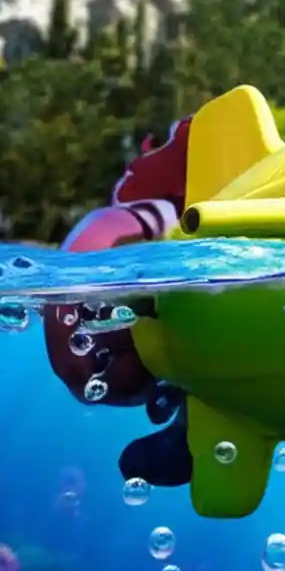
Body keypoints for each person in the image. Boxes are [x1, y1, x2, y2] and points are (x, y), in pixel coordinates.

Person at [42, 117, 196, 487]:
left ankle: (184, 418)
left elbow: (104, 230)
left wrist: (68, 291)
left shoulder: (160, 196)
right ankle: (185, 417)